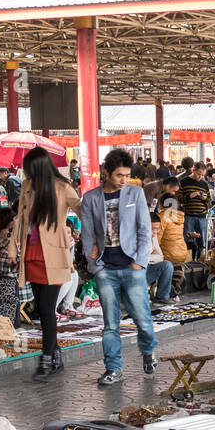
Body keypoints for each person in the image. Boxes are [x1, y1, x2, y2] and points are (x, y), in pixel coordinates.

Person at [83, 148, 156, 386]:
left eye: (127, 175)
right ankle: (113, 369)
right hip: (105, 268)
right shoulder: (91, 198)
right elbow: (87, 233)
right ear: (106, 173)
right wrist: (94, 265)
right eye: (119, 176)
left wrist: (139, 262)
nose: (124, 180)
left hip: (132, 266)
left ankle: (148, 351)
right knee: (110, 324)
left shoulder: (135, 194)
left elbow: (145, 231)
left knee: (143, 319)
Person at [7, 147, 81, 381]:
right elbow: (19, 218)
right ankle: (55, 356)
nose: (26, 172)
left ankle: (46, 360)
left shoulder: (63, 187)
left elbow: (83, 209)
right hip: (32, 253)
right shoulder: (28, 186)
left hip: (55, 256)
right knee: (42, 309)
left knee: (48, 310)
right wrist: (12, 246)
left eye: (29, 168)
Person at [179, 161, 212, 257]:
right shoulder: (184, 182)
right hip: (189, 215)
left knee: (202, 242)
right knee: (188, 240)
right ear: (193, 170)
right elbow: (179, 199)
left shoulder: (204, 184)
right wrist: (190, 196)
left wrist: (205, 199)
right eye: (198, 174)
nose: (200, 177)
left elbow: (209, 201)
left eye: (202, 175)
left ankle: (200, 261)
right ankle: (189, 260)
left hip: (202, 216)